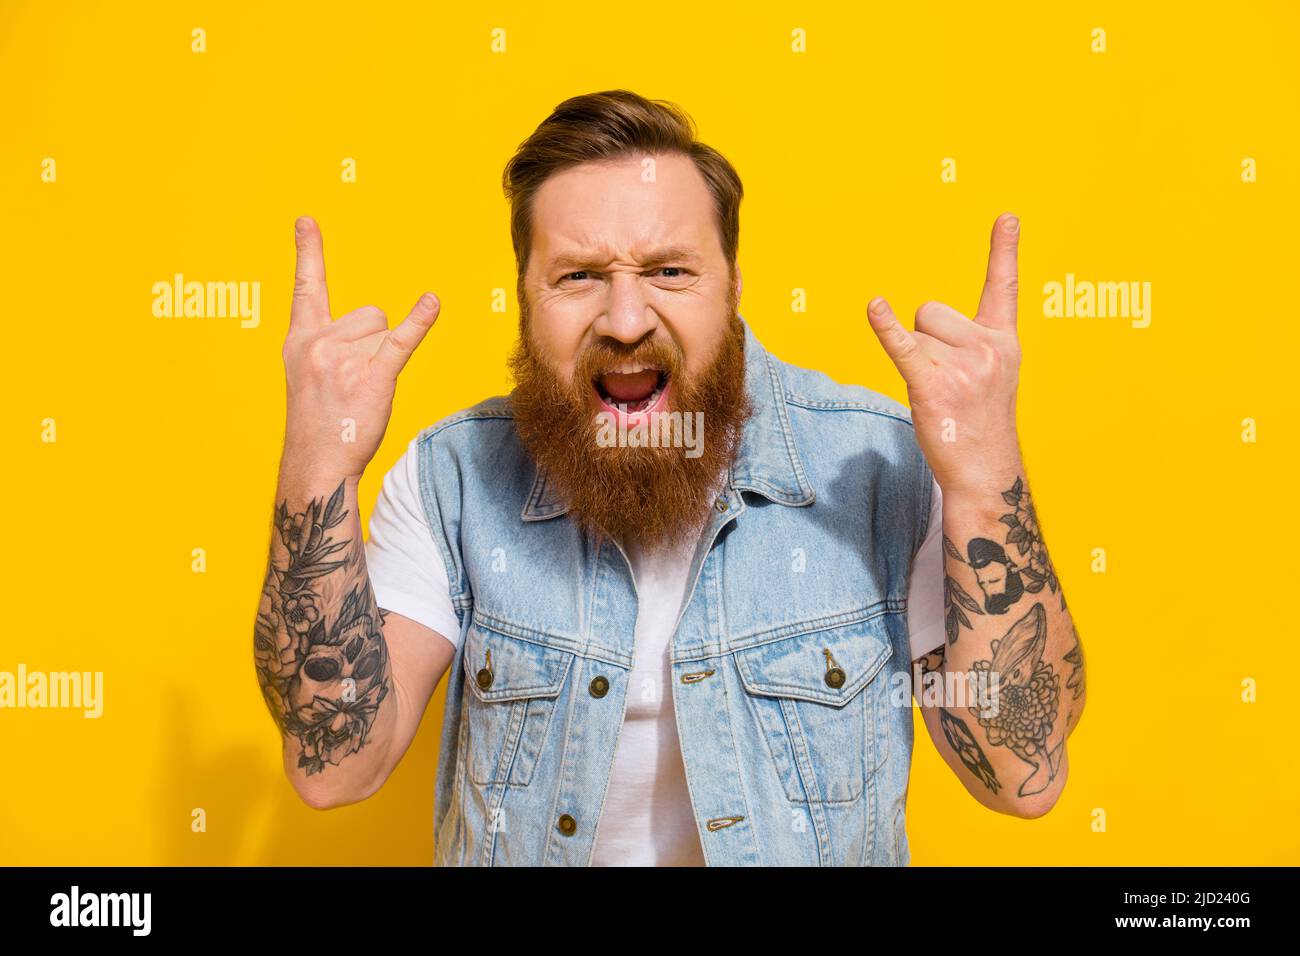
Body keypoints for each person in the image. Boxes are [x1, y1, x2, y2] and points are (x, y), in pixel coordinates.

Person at [254, 89, 1087, 866]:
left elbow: (1021, 773)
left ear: (732, 288)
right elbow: (337, 767)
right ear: (523, 299)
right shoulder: (453, 481)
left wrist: (983, 477)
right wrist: (320, 461)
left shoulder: (882, 467)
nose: (624, 321)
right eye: (578, 276)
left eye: (669, 272)